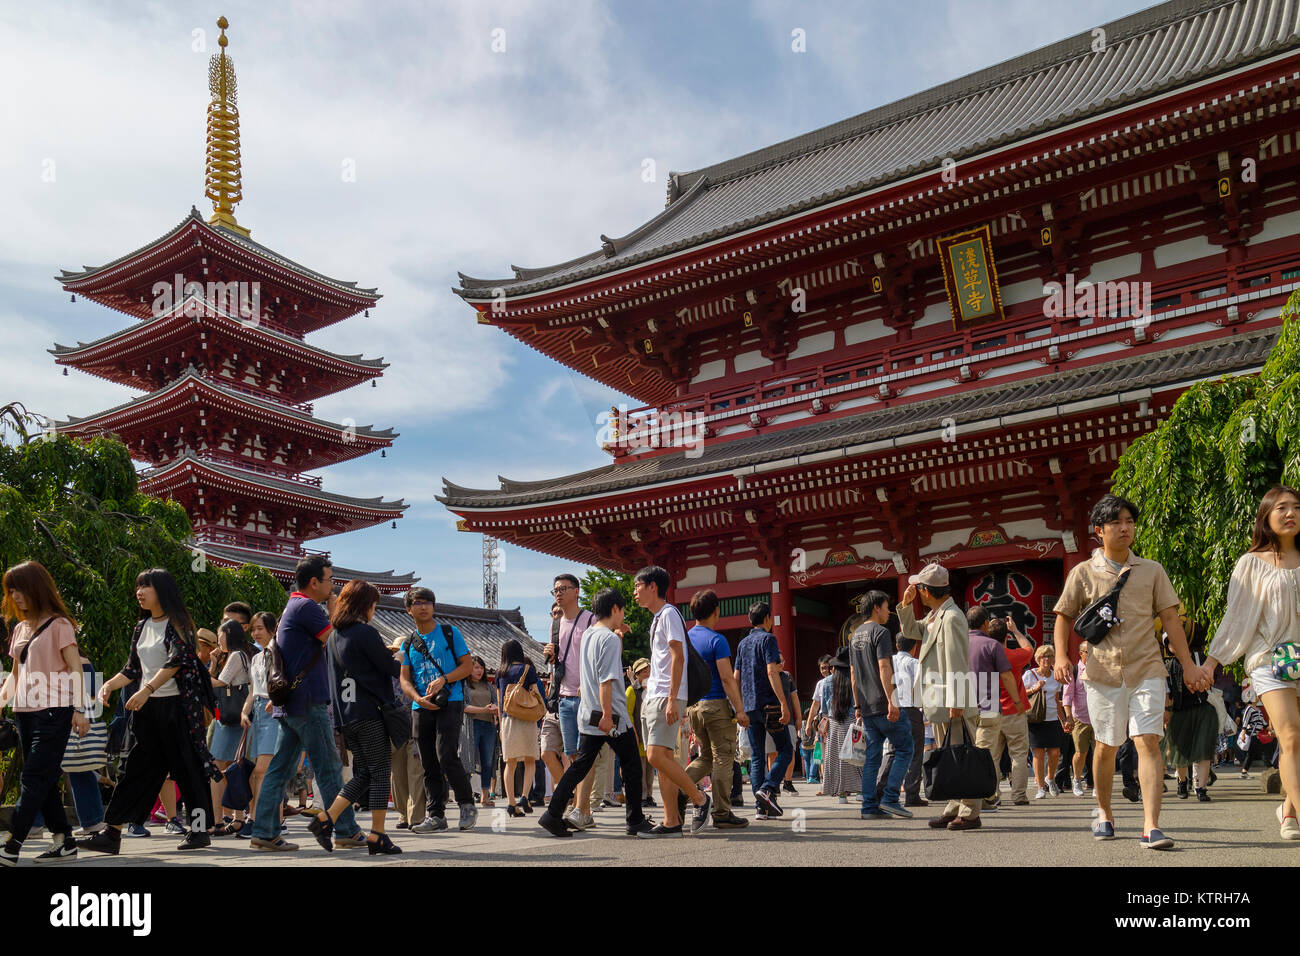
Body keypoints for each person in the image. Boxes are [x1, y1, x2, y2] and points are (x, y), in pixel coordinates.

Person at [1052, 494, 1213, 848]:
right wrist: (1062, 657)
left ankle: (1151, 826)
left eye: (1130, 521)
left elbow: (1170, 619)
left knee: (1148, 741)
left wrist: (1188, 666)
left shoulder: (1152, 570)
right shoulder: (1082, 573)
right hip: (1102, 672)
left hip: (1147, 668)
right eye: (1117, 523)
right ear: (1100, 531)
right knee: (1107, 746)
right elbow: (1063, 616)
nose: (1126, 528)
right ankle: (1105, 813)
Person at [79, 568, 221, 855]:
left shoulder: (178, 622)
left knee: (188, 770)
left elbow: (177, 660)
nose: (139, 592)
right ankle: (112, 832)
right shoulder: (141, 627)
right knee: (136, 770)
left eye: (146, 586)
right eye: (138, 586)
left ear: (163, 591)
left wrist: (147, 690)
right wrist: (109, 685)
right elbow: (132, 668)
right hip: (149, 710)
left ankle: (199, 831)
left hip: (178, 709)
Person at [248, 555, 365, 852]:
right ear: (314, 582)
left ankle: (264, 831)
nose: (332, 586)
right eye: (329, 580)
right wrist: (335, 610)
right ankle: (346, 829)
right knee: (328, 767)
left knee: (279, 769)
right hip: (309, 701)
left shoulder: (294, 605)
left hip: (292, 703)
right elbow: (337, 642)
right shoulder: (307, 607)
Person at [1206, 486, 1300, 840]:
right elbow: (1237, 618)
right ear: (1266, 516)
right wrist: (1212, 661)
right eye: (1281, 508)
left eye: (1297, 507)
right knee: (1289, 734)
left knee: (1299, 741)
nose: (1290, 513)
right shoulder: (1252, 562)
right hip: (1268, 659)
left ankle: (1288, 810)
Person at [538, 588, 652, 838]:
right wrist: (609, 716)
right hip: (610, 715)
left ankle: (552, 813)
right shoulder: (609, 639)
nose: (622, 615)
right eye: (622, 611)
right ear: (615, 609)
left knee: (580, 766)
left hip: (588, 712)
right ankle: (635, 820)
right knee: (632, 764)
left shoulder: (589, 634)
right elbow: (607, 680)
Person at [0, 560, 89, 866]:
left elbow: (76, 670)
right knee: (45, 777)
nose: (15, 596)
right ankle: (65, 841)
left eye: (20, 589)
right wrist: (1, 701)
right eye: (11, 590)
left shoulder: (60, 625)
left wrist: (80, 709)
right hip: (24, 711)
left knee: (33, 775)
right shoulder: (20, 628)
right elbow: (15, 674)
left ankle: (12, 845)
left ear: (36, 588)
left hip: (55, 712)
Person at [310, 579, 403, 855]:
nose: (374, 610)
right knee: (379, 773)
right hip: (369, 713)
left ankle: (325, 819)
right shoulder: (365, 633)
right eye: (373, 605)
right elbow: (388, 668)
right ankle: (377, 835)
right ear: (366, 606)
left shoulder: (335, 637)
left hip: (345, 716)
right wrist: (402, 660)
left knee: (363, 773)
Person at [897, 563, 982, 832]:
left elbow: (956, 660)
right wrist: (906, 605)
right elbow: (910, 632)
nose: (917, 592)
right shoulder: (936, 616)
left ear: (927, 590)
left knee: (960, 754)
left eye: (919, 588)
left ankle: (970, 812)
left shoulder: (953, 617)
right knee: (950, 754)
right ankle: (954, 807)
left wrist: (956, 700)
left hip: (950, 697)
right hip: (939, 697)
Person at [632, 566, 711, 835]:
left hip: (666, 695)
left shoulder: (668, 614)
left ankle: (699, 799)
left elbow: (678, 656)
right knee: (661, 760)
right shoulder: (657, 619)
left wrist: (671, 699)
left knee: (656, 756)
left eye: (637, 586)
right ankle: (671, 821)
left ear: (652, 586)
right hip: (655, 694)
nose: (634, 593)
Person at [399, 587, 477, 833]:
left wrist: (444, 679)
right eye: (417, 602)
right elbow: (404, 678)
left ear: (434, 606)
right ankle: (436, 815)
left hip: (449, 701)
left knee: (446, 755)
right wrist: (417, 699)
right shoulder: (409, 642)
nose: (423, 606)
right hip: (420, 706)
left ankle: (466, 804)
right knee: (428, 761)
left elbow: (466, 667)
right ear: (408, 609)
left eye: (428, 602)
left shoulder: (449, 633)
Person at [683, 589, 750, 829]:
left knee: (706, 757)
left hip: (694, 706)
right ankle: (722, 812)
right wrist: (740, 710)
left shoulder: (686, 638)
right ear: (716, 611)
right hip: (715, 704)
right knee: (723, 757)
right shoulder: (717, 640)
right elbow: (726, 678)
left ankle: (682, 792)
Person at [850, 591, 915, 820]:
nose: (889, 612)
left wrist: (858, 706)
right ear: (877, 607)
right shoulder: (881, 632)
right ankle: (890, 798)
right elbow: (884, 667)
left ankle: (869, 806)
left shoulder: (855, 636)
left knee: (873, 757)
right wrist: (892, 701)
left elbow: (853, 675)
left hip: (867, 707)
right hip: (884, 703)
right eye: (887, 607)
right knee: (906, 748)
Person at [735, 600, 791, 819]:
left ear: (750, 620)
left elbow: (736, 677)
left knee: (757, 756)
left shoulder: (743, 644)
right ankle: (767, 788)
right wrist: (783, 703)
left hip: (749, 706)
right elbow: (771, 671)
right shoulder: (769, 639)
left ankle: (761, 808)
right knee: (785, 749)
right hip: (769, 704)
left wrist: (739, 707)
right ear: (767, 618)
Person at [208, 618, 253, 835]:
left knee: (217, 768)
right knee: (235, 769)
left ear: (228, 634)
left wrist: (210, 667)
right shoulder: (245, 654)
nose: (218, 640)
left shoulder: (236, 655)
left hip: (229, 721)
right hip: (237, 719)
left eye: (220, 635)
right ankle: (238, 817)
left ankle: (217, 819)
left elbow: (220, 682)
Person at [1163, 630, 1217, 803]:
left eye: (1176, 640)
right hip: (1178, 711)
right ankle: (1182, 782)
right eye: (1169, 643)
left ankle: (1201, 788)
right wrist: (1167, 713)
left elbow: (1211, 679)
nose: (1173, 645)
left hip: (1201, 708)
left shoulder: (1200, 658)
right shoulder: (1167, 665)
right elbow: (1167, 692)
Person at [239, 612, 279, 839]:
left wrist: (278, 698)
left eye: (260, 628)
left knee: (262, 770)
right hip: (258, 712)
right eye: (253, 629)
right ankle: (262, 818)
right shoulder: (256, 658)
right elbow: (253, 692)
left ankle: (256, 819)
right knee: (256, 772)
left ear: (272, 629)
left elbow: (288, 679)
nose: (255, 633)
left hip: (274, 712)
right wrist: (245, 711)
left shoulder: (278, 651)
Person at [988, 616, 1034, 805]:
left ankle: (992, 795)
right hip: (1014, 710)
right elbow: (1029, 649)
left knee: (992, 756)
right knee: (1019, 755)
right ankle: (1019, 795)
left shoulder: (985, 656)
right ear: (1006, 636)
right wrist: (1015, 630)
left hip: (991, 710)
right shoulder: (1014, 656)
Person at [879, 635, 926, 807]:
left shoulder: (888, 661)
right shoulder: (915, 663)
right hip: (911, 710)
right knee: (915, 753)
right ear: (914, 647)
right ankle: (912, 794)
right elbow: (920, 688)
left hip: (893, 708)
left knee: (892, 751)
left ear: (896, 645)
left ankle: (879, 788)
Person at [496, 639, 541, 817]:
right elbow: (536, 692)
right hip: (527, 718)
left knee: (510, 762)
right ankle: (524, 796)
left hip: (508, 720)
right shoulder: (527, 670)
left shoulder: (500, 672)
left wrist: (500, 726)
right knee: (530, 760)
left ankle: (510, 803)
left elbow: (500, 702)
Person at [1023, 645, 1065, 799]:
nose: (1046, 659)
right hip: (1035, 719)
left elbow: (1057, 700)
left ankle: (1050, 778)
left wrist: (1064, 719)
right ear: (1038, 659)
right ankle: (1041, 787)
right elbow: (1021, 693)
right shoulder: (1030, 674)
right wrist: (1034, 689)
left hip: (1053, 718)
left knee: (1055, 753)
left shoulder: (1056, 676)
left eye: (1049, 656)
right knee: (1038, 754)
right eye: (1043, 657)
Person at [464, 656, 499, 808]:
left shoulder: (488, 685)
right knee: (468, 761)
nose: (479, 670)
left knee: (487, 762)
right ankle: (466, 795)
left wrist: (494, 708)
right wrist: (483, 709)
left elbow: (496, 703)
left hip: (488, 726)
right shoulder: (464, 685)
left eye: (481, 667)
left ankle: (485, 796)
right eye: (476, 667)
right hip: (472, 725)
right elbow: (464, 707)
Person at [1061, 640, 1094, 798]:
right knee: (1081, 753)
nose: (1092, 654)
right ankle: (1077, 779)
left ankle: (1097, 783)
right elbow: (1067, 696)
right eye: (1088, 651)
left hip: (1099, 716)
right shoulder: (1074, 670)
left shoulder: (1099, 669)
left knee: (1100, 752)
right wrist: (1068, 717)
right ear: (1081, 653)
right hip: (1080, 717)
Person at [625, 658, 657, 807]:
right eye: (644, 671)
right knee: (641, 769)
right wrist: (634, 733)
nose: (648, 674)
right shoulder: (632, 690)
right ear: (637, 674)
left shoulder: (652, 689)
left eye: (649, 671)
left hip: (652, 734)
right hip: (638, 734)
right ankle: (643, 796)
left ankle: (649, 794)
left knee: (651, 768)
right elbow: (628, 713)